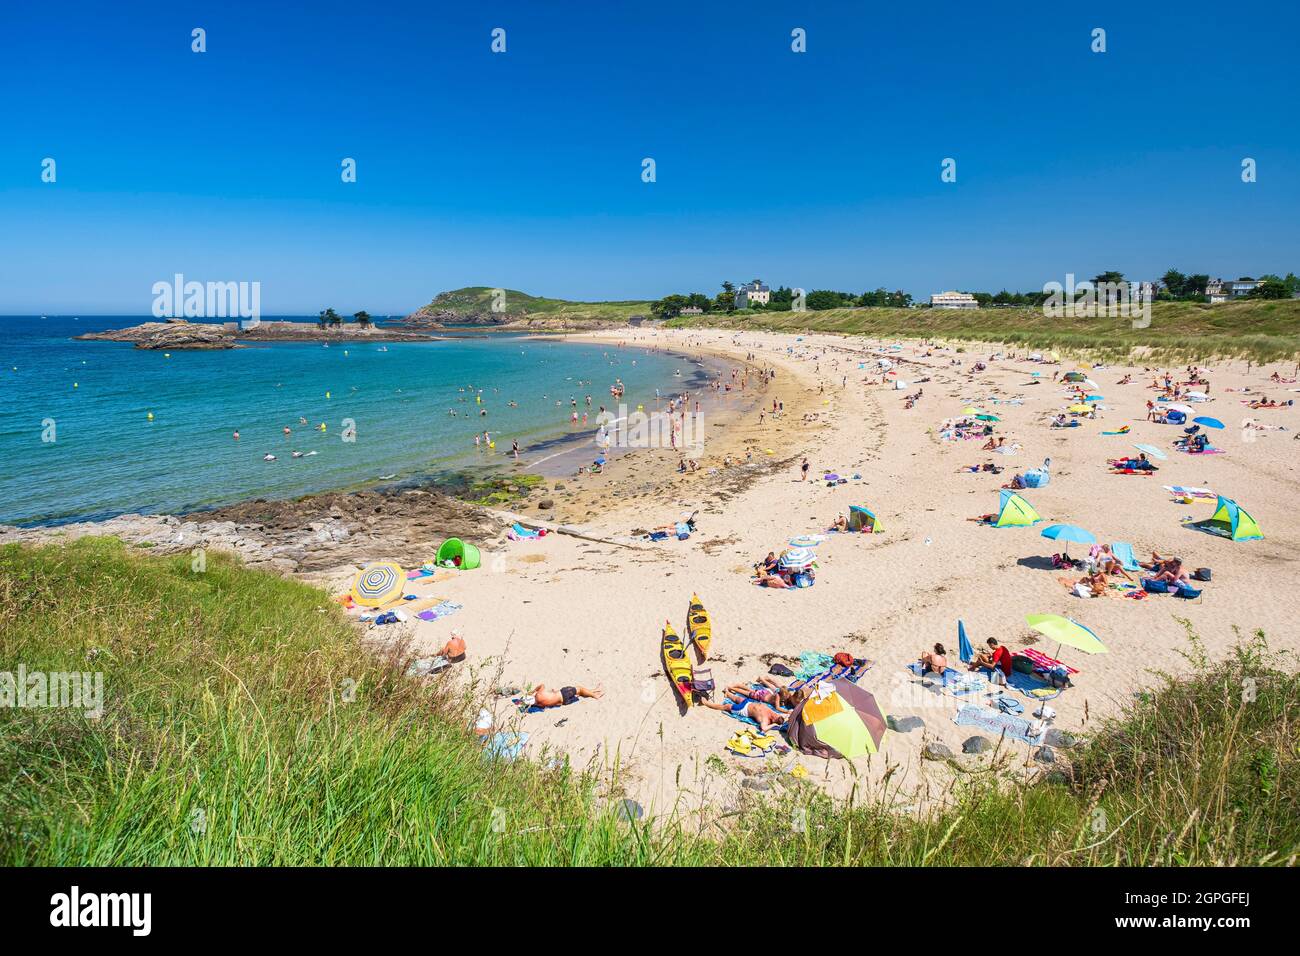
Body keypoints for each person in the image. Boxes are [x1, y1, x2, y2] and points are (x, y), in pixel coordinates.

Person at [700, 691, 789, 732]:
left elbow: (764, 729)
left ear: (773, 721)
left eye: (775, 717)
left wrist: (774, 725)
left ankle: (707, 704)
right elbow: (785, 716)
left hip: (743, 710)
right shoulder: (776, 715)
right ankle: (728, 693)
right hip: (748, 703)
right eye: (776, 715)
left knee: (725, 707)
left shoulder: (766, 720)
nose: (775, 715)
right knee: (737, 698)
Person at [525, 683, 603, 709]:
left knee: (579, 693)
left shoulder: (539, 705)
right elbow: (542, 685)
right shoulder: (538, 695)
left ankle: (594, 690)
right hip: (564, 694)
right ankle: (595, 695)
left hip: (564, 702)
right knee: (580, 689)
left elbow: (550, 699)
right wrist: (533, 691)